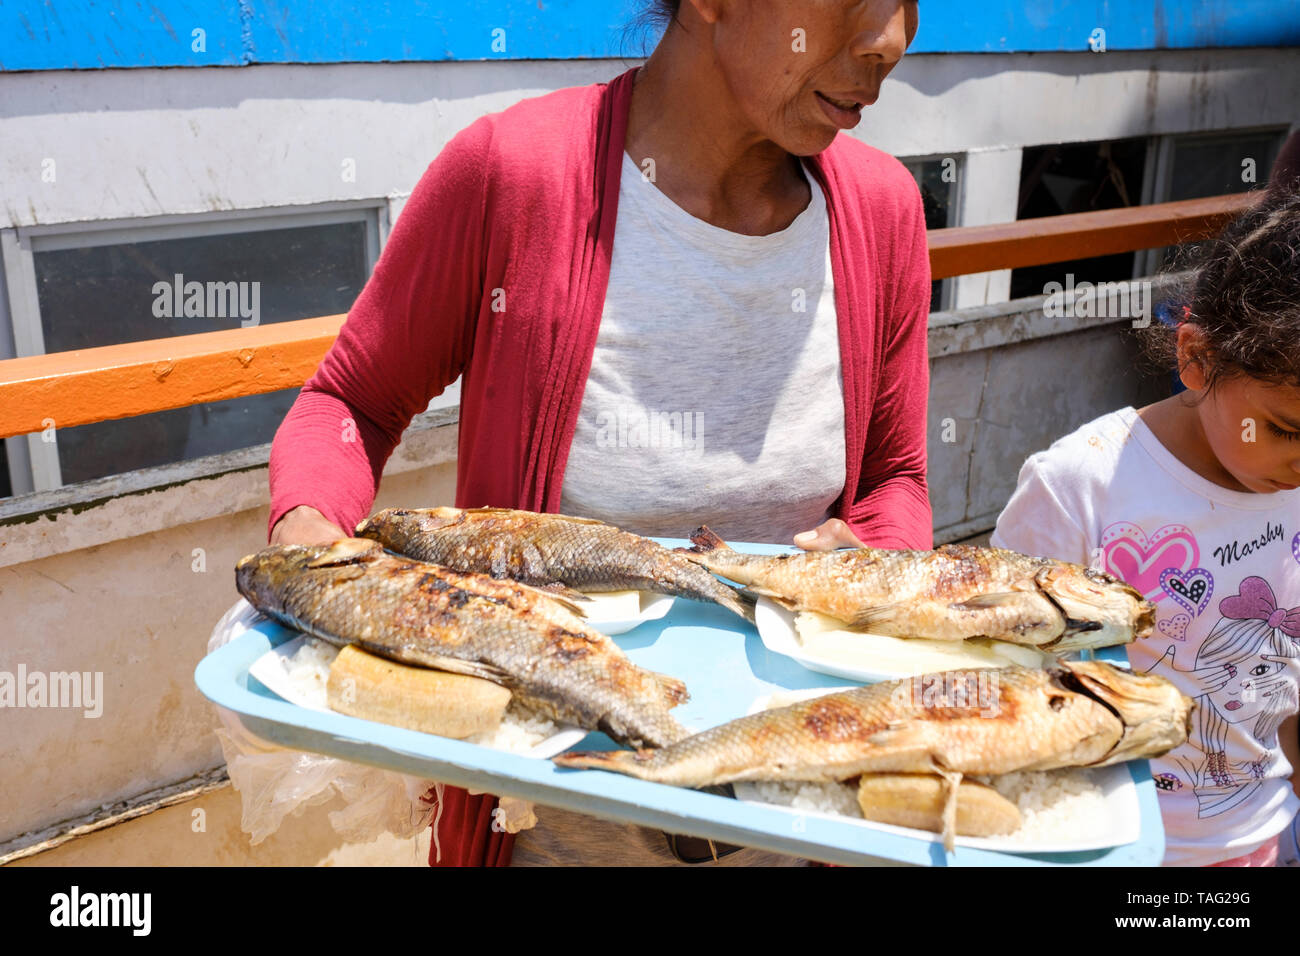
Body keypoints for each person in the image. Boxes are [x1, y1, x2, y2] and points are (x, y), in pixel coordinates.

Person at [266, 0, 930, 866]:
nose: (893, 39)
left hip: (799, 825)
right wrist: (310, 531)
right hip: (541, 834)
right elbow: (351, 403)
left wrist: (875, 565)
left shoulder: (882, 212)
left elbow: (895, 480)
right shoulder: (514, 174)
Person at [992, 189, 1300, 866]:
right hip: (1094, 839)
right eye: (1283, 430)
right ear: (1196, 357)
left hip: (1254, 839)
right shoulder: (1083, 485)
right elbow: (998, 667)